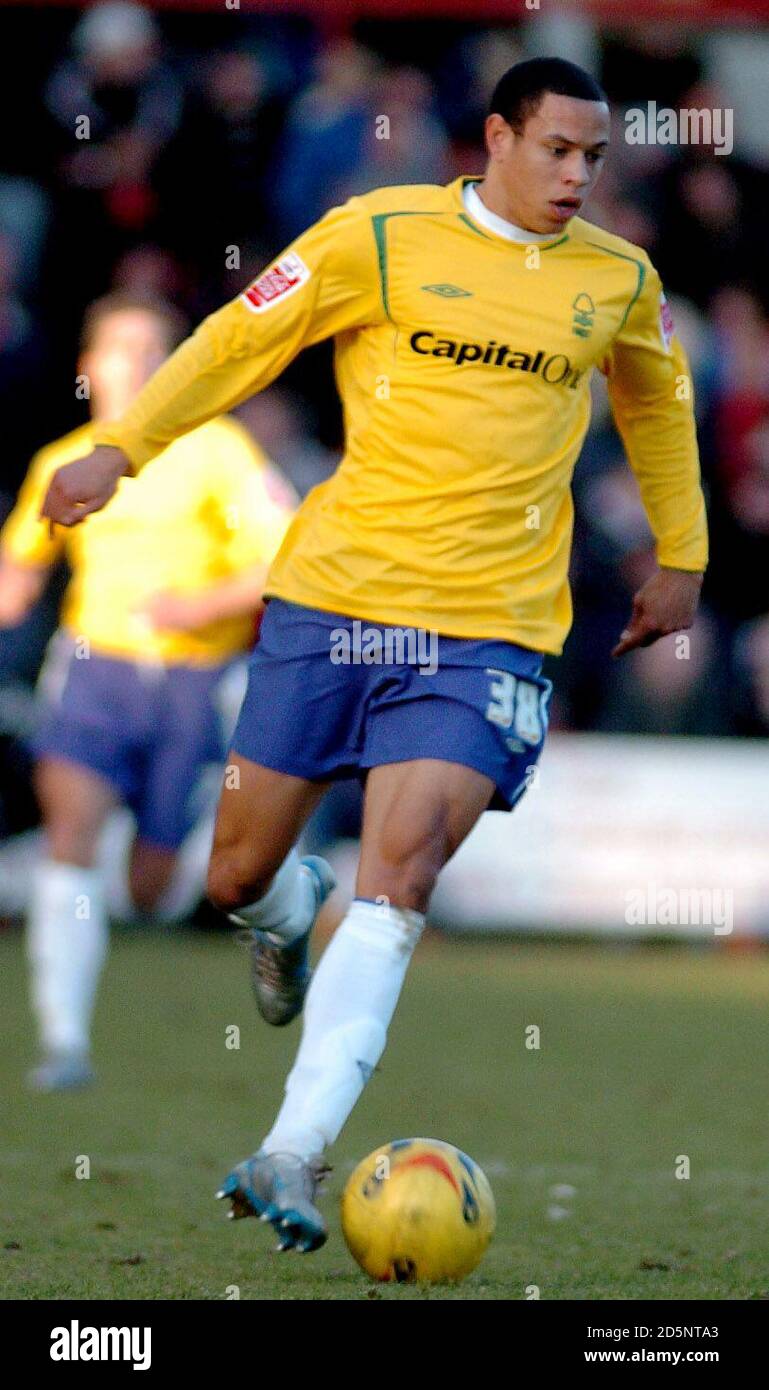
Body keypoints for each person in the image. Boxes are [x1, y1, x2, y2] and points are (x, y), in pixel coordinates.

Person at [41, 58, 708, 1251]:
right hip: (330, 605)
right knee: (236, 873)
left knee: (400, 870)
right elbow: (235, 345)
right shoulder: (379, 236)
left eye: (594, 158)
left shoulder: (618, 278)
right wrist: (123, 448)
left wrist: (683, 553)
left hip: (494, 625)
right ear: (496, 137)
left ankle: (293, 1146)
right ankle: (283, 908)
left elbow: (658, 406)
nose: (577, 177)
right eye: (556, 150)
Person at [0, 292, 295, 1091]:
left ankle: (270, 913)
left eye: (149, 350)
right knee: (71, 839)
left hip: (192, 687)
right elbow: (22, 557)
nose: (133, 365)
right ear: (88, 366)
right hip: (96, 672)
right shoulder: (64, 460)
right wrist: (15, 585)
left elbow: (283, 558)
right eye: (117, 348)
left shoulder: (216, 452)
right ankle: (63, 1043)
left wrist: (197, 606)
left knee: (149, 885)